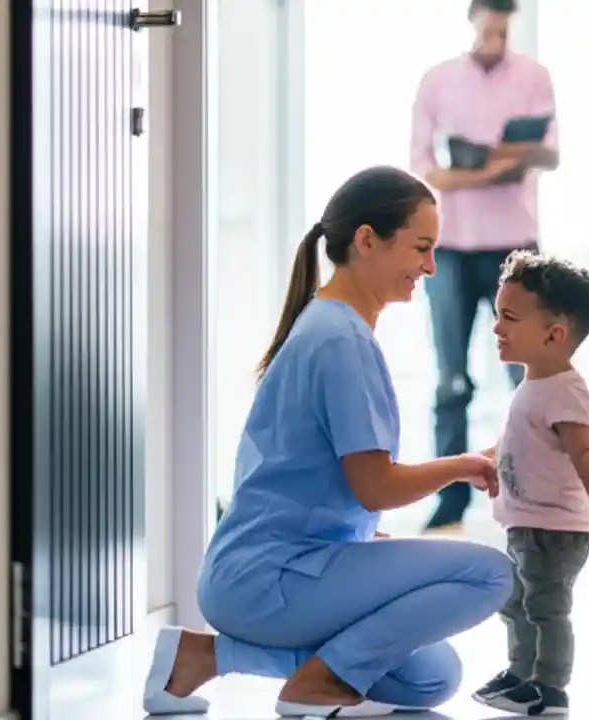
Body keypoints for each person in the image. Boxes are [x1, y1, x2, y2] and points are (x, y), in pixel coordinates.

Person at [141, 166, 514, 719]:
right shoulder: (339, 340)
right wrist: (460, 466)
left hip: (272, 569)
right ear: (367, 240)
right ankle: (315, 686)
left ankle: (204, 656)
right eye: (421, 248)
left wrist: (363, 538)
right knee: (491, 573)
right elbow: (375, 487)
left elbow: (329, 486)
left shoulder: (329, 326)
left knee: (430, 677)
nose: (431, 267)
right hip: (270, 577)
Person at [410, 0, 561, 533]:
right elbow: (426, 169)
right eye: (488, 27)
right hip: (449, 247)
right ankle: (450, 503)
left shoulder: (534, 78)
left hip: (515, 249)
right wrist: (490, 172)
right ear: (473, 17)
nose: (495, 37)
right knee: (451, 379)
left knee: (528, 379)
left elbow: (549, 155)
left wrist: (508, 159)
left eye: (504, 28)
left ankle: (532, 498)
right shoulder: (438, 81)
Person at [467, 251, 589, 716]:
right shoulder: (533, 385)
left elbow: (586, 454)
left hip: (554, 530)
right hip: (527, 523)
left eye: (509, 318)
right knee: (516, 603)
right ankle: (522, 673)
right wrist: (491, 459)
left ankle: (550, 686)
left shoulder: (564, 390)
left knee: (546, 607)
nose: (497, 327)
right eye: (498, 315)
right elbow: (524, 439)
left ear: (554, 335)